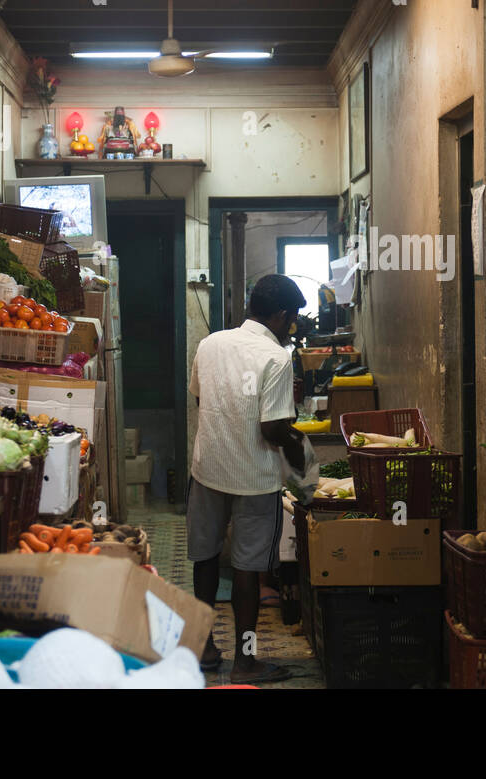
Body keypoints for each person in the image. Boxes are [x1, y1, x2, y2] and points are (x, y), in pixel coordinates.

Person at [187, 273, 307, 683]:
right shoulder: (276, 358)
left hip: (207, 469)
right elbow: (272, 429)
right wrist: (300, 449)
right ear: (282, 315)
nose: (291, 329)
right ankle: (245, 660)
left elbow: (203, 398)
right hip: (255, 478)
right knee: (247, 569)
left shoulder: (210, 343)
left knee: (204, 559)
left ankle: (203, 649)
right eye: (291, 321)